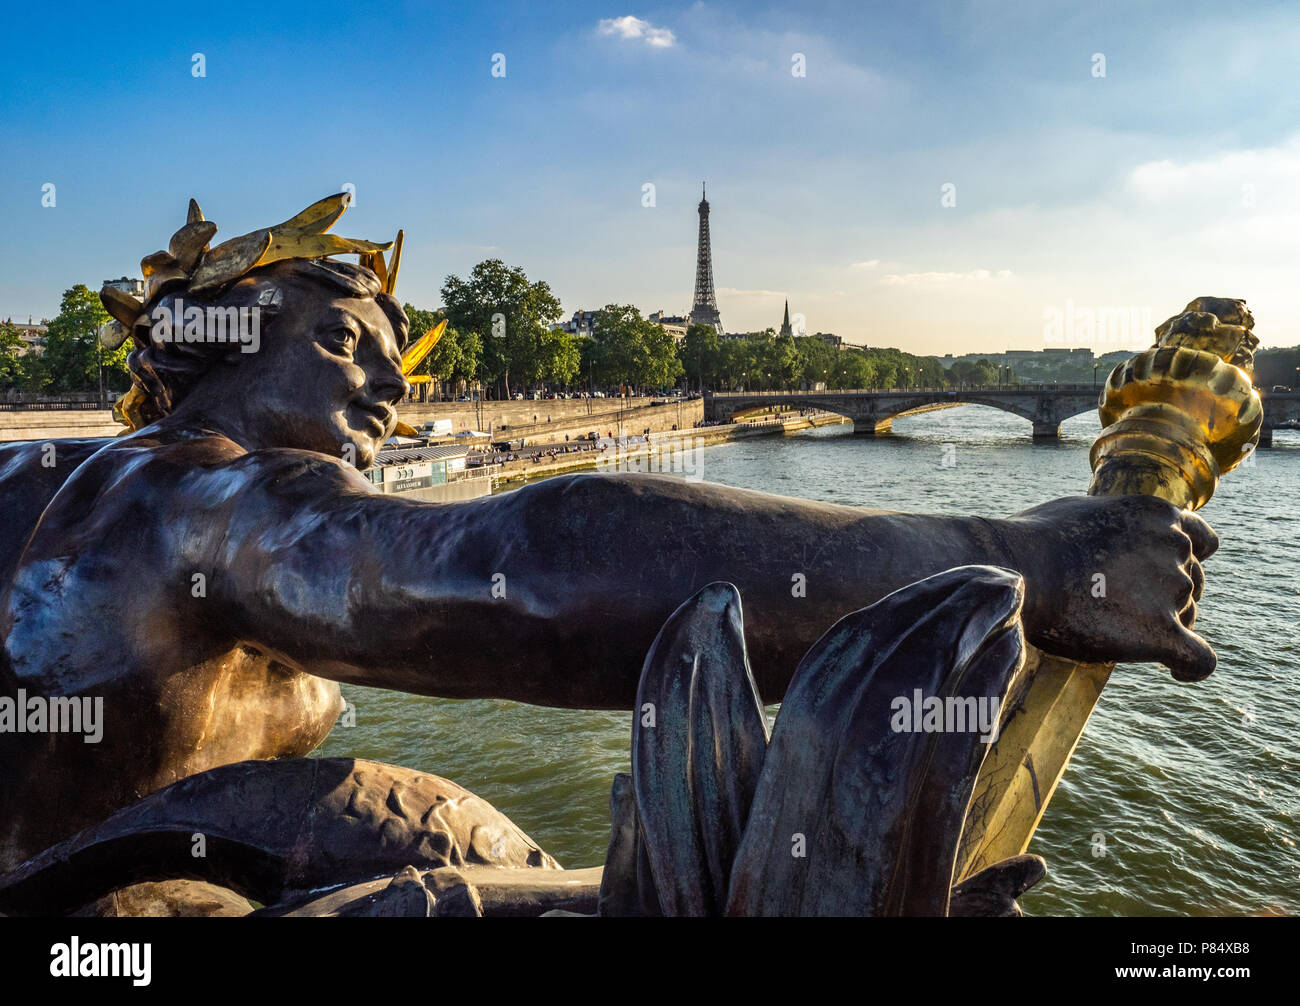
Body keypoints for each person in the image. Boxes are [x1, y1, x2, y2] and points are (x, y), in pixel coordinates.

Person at [0, 255, 1215, 868]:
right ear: (213, 347)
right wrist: (1025, 563)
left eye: (397, 368)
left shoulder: (54, 478)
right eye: (342, 342)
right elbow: (515, 572)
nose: (386, 388)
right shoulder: (196, 492)